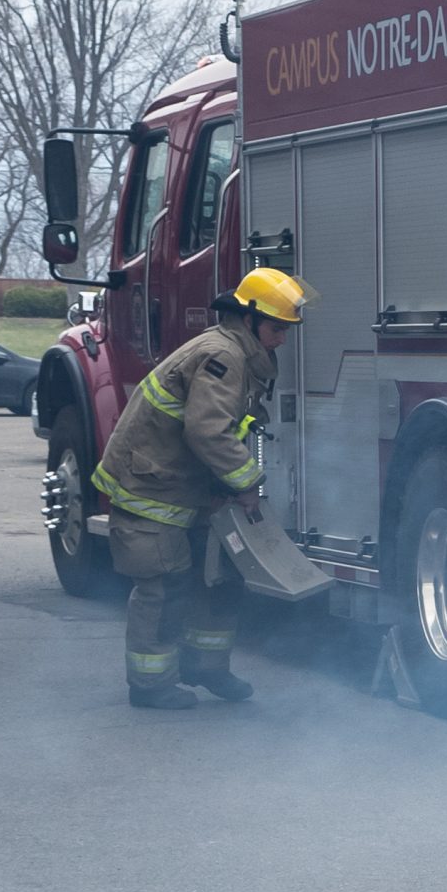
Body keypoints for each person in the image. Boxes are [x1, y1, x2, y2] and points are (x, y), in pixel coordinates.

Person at [94, 268, 311, 708]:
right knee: (163, 585)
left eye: (286, 330)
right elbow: (208, 432)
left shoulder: (236, 351)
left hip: (185, 486)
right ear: (248, 318)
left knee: (215, 581)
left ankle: (206, 668)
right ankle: (150, 685)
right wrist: (247, 483)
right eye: (276, 328)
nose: (282, 339)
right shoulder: (223, 356)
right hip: (152, 488)